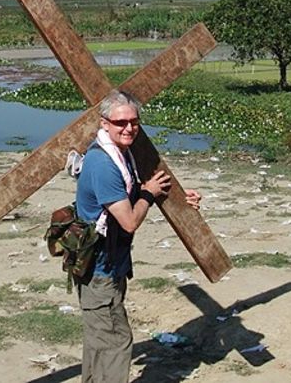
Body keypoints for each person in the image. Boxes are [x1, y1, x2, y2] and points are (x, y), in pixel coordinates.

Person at [75, 89, 202, 383]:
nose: (129, 128)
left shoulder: (122, 154)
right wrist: (148, 194)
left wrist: (181, 199)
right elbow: (130, 220)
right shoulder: (104, 165)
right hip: (98, 270)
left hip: (110, 265)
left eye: (134, 121)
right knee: (117, 342)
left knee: (99, 340)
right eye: (120, 122)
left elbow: (138, 189)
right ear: (104, 123)